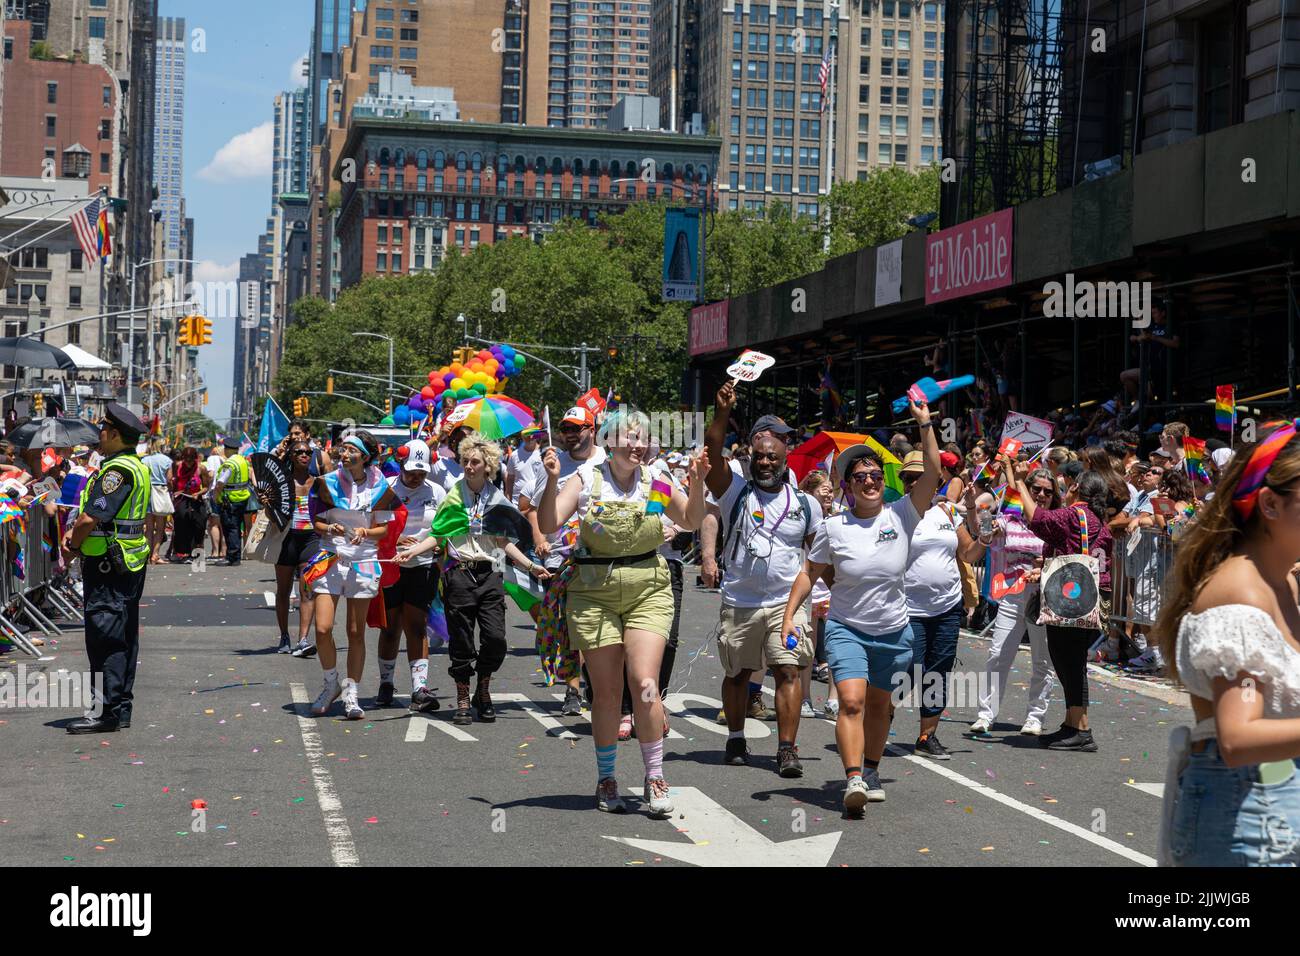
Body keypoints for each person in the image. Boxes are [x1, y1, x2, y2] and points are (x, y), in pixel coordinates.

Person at [538, 409, 708, 816]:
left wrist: (698, 483)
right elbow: (547, 523)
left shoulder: (656, 481)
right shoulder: (586, 480)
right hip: (593, 594)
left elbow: (690, 518)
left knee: (645, 682)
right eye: (627, 437)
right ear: (609, 442)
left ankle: (654, 776)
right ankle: (607, 776)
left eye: (641, 438)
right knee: (608, 691)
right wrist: (549, 479)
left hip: (648, 588)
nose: (636, 445)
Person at [782, 396, 940, 812]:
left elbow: (934, 474)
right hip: (846, 628)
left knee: (879, 706)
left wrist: (925, 425)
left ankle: (870, 768)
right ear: (848, 486)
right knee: (850, 700)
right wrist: (787, 616)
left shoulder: (903, 514)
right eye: (859, 476)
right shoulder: (833, 529)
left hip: (894, 631)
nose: (869, 480)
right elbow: (808, 574)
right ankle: (853, 779)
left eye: (873, 474)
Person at [1155, 421, 1300, 866]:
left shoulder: (1284, 583)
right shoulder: (1241, 591)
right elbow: (1237, 736)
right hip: (1247, 823)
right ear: (1271, 505)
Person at [704, 382, 822, 778]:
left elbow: (817, 558)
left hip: (785, 606)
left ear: (785, 458)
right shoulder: (733, 490)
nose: (766, 463)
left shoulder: (807, 504)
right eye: (760, 457)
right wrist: (722, 412)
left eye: (773, 457)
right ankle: (736, 736)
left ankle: (786, 749)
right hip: (740, 602)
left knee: (788, 670)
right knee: (737, 674)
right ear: (751, 457)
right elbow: (712, 450)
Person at [405, 432, 543, 724]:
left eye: (475, 462)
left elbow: (504, 542)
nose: (469, 466)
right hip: (459, 573)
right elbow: (438, 534)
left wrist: (531, 567)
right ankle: (464, 698)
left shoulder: (497, 498)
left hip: (490, 573)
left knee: (496, 639)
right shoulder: (454, 495)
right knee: (462, 642)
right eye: (466, 461)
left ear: (488, 466)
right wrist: (413, 550)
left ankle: (484, 685)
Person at [1011, 462, 1113, 752]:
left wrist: (1019, 482)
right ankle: (1072, 723)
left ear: (1078, 487)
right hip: (1089, 597)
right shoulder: (1096, 519)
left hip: (1070, 600)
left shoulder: (1074, 514)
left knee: (1068, 661)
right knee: (1072, 662)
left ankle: (1081, 729)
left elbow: (1037, 519)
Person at [62, 403, 151, 734]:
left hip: (106, 563)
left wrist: (72, 545)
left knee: (105, 636)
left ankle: (105, 710)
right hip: (127, 560)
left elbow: (89, 518)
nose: (98, 434)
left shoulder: (116, 472)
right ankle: (120, 706)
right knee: (125, 636)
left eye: (103, 429)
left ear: (115, 434)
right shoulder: (136, 466)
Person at [518, 404, 607, 715]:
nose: (569, 435)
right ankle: (572, 688)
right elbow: (529, 506)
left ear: (592, 429)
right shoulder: (552, 463)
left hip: (601, 558)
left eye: (576, 428)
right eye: (565, 429)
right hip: (560, 560)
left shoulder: (606, 461)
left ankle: (596, 683)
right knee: (568, 626)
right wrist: (540, 538)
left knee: (596, 627)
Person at [308, 431, 399, 720]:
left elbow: (383, 530)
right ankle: (330, 682)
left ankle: (351, 692)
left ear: (365, 456)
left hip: (363, 560)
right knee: (322, 629)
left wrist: (365, 532)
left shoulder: (380, 485)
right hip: (331, 557)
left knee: (356, 632)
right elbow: (317, 523)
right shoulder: (328, 482)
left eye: (351, 450)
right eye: (342, 449)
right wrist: (330, 528)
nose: (344, 454)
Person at [963, 463, 1055, 735]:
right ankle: (985, 715)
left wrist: (1044, 565)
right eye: (1035, 488)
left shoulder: (1055, 522)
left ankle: (1035, 717)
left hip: (1044, 597)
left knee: (1042, 660)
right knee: (998, 655)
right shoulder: (1010, 519)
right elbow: (984, 530)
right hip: (1013, 595)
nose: (1040, 494)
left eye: (1046, 491)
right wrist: (972, 507)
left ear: (1053, 495)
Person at [902, 450, 973, 759]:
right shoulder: (895, 512)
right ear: (903, 481)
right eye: (910, 477)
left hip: (947, 607)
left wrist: (983, 534)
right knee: (908, 670)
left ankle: (926, 736)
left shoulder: (947, 512)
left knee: (937, 672)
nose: (916, 482)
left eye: (922, 477)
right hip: (908, 608)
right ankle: (876, 719)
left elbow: (969, 553)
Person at [376, 439, 446, 712]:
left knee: (417, 626)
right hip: (390, 566)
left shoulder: (438, 492)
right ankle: (386, 682)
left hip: (423, 565)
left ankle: (419, 688)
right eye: (411, 472)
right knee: (390, 627)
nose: (416, 477)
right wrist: (397, 539)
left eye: (422, 472)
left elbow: (444, 529)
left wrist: (434, 547)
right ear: (401, 465)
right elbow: (374, 527)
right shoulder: (387, 490)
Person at [268, 440, 321, 655]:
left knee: (307, 590)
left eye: (308, 452)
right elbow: (272, 517)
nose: (304, 455)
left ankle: (303, 640)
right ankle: (284, 636)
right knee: (283, 590)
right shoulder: (282, 483)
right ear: (291, 456)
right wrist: (268, 504)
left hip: (310, 539)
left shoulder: (318, 483)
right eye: (299, 452)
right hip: (286, 538)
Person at [212, 437, 252, 565]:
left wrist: (216, 496)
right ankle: (236, 556)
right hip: (243, 498)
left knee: (230, 528)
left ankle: (232, 557)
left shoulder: (230, 463)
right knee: (236, 527)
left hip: (230, 500)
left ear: (227, 449)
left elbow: (220, 482)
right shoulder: (243, 460)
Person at [170, 445, 210, 562]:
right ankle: (182, 552)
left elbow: (206, 487)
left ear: (195, 459)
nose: (188, 463)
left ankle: (196, 550)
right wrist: (174, 490)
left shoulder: (201, 468)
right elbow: (173, 481)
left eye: (191, 460)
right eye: (186, 460)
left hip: (196, 499)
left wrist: (198, 493)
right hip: (181, 499)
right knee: (182, 522)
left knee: (199, 524)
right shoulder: (177, 466)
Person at [141, 440, 174, 564]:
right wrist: (170, 490)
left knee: (148, 528)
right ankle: (155, 555)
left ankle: (147, 555)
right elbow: (169, 479)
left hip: (148, 492)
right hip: (160, 492)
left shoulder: (144, 460)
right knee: (160, 528)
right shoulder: (167, 460)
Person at [504, 425, 543, 506]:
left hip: (538, 504)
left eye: (533, 432)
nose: (530, 436)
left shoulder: (544, 453)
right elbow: (510, 479)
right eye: (527, 433)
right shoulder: (514, 455)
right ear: (522, 435)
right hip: (517, 504)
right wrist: (508, 500)